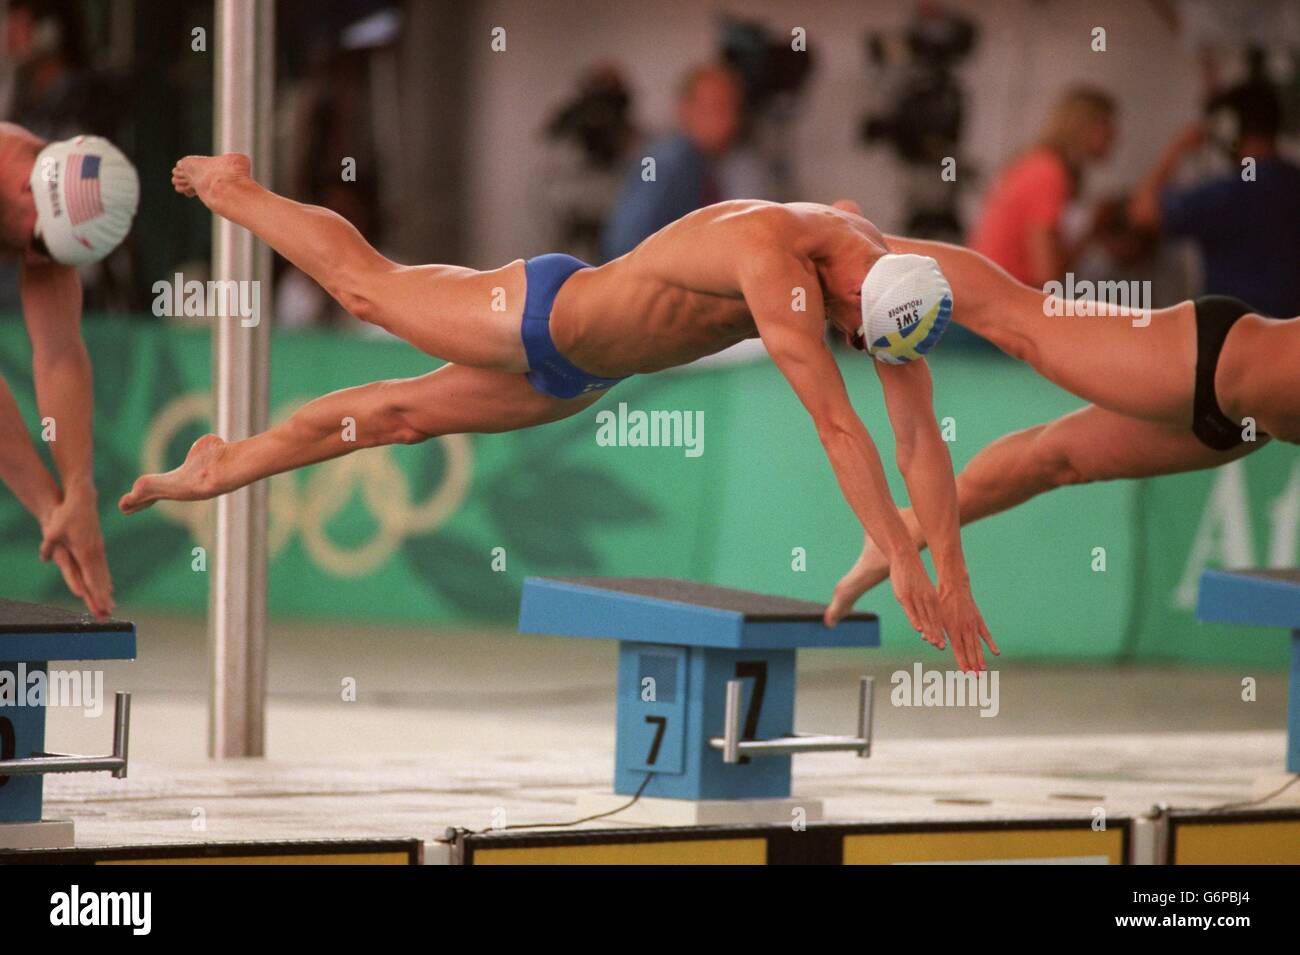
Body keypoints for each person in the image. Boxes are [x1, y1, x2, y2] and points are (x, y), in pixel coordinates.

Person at [121, 153, 997, 672]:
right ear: (853, 292)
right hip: (543, 310)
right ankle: (237, 189)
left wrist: (951, 572)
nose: (853, 342)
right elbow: (839, 426)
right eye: (854, 331)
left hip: (581, 375)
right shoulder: (777, 264)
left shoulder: (883, 276)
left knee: (398, 418)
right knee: (368, 291)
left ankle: (224, 463)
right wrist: (900, 553)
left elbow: (918, 438)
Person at [822, 200, 1297, 621]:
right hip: (1207, 360)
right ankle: (849, 239)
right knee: (1017, 320)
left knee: (1055, 460)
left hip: (1241, 425)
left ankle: (911, 525)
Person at [0, 123, 139, 617]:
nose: (36, 258)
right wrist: (45, 504)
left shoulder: (48, 195)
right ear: (26, 188)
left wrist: (78, 493)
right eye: (40, 244)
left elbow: (59, 354)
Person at [1129, 74, 1300, 318]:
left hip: (1234, 332)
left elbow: (1141, 213)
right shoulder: (1288, 182)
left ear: (1229, 129)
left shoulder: (1231, 193)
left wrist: (1178, 147)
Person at [967, 86, 1116, 288]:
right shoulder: (1048, 172)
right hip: (1000, 295)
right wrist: (1091, 232)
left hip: (993, 290)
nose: (1114, 136)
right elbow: (1047, 275)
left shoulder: (1037, 163)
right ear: (1084, 127)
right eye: (1107, 126)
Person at [599, 63, 745, 262]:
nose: (729, 120)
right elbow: (625, 243)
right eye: (715, 107)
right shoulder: (662, 161)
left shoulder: (704, 164)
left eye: (733, 108)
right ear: (684, 108)